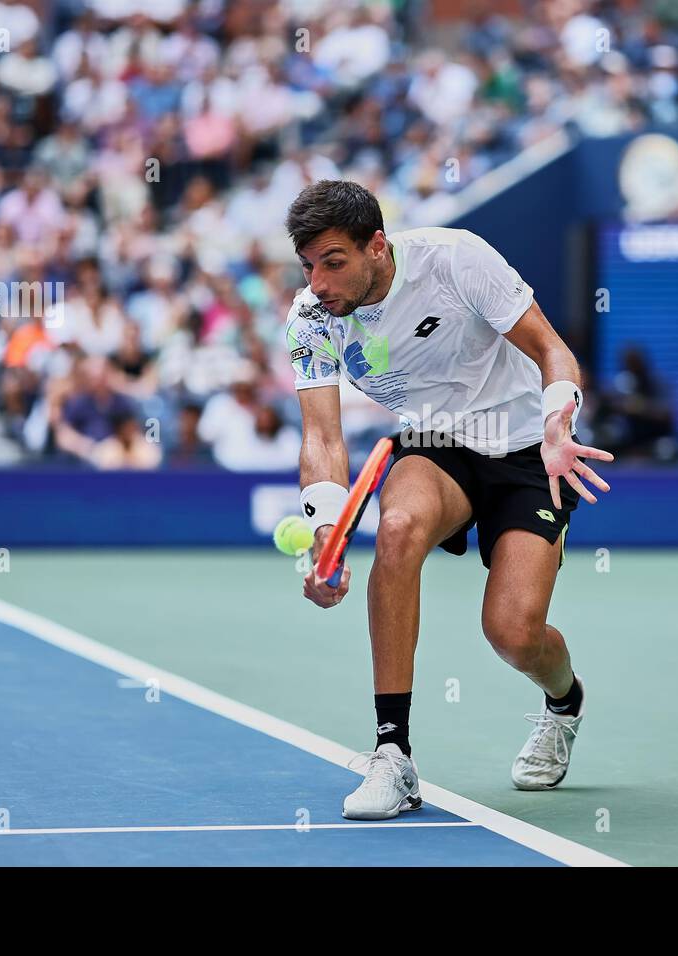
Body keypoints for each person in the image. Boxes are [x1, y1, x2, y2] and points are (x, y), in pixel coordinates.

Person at [283, 179, 613, 820]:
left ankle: (564, 701)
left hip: (524, 447)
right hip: (435, 444)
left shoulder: (456, 259)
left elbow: (553, 351)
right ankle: (392, 755)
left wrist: (558, 420)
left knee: (514, 633)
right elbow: (322, 436)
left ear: (376, 246)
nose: (319, 283)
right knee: (398, 527)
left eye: (333, 262)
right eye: (308, 266)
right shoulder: (311, 319)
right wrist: (325, 528)